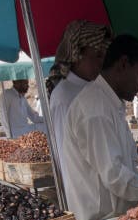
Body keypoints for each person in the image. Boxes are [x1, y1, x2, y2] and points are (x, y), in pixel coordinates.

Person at [60, 34, 138, 220]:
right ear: (123, 64)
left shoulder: (110, 104)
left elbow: (124, 162)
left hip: (116, 218)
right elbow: (115, 176)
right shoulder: (96, 109)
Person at [46, 20, 113, 180]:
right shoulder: (65, 95)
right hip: (83, 192)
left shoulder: (93, 90)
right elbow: (64, 155)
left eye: (104, 56)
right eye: (97, 56)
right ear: (77, 54)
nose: (101, 62)